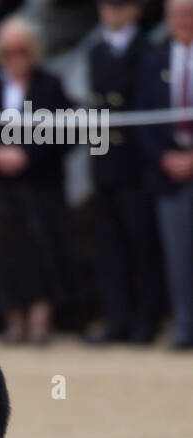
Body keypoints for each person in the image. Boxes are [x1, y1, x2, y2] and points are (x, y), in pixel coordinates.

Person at [0, 17, 74, 343]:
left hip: (40, 182)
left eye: (22, 50)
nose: (15, 58)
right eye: (8, 51)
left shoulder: (50, 84)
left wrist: (28, 155)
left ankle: (41, 319)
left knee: (41, 247)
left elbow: (66, 133)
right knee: (4, 248)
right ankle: (12, 319)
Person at [84, 0, 162, 344]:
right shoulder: (96, 50)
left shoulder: (148, 50)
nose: (111, 13)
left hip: (136, 163)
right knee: (110, 248)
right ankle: (117, 318)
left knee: (142, 247)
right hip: (105, 162)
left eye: (119, 6)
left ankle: (147, 321)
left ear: (135, 10)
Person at [137, 0, 193, 349]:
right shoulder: (152, 61)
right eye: (179, 14)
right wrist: (164, 157)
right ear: (168, 19)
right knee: (178, 256)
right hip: (168, 172)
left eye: (190, 13)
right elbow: (141, 120)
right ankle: (185, 326)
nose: (185, 20)